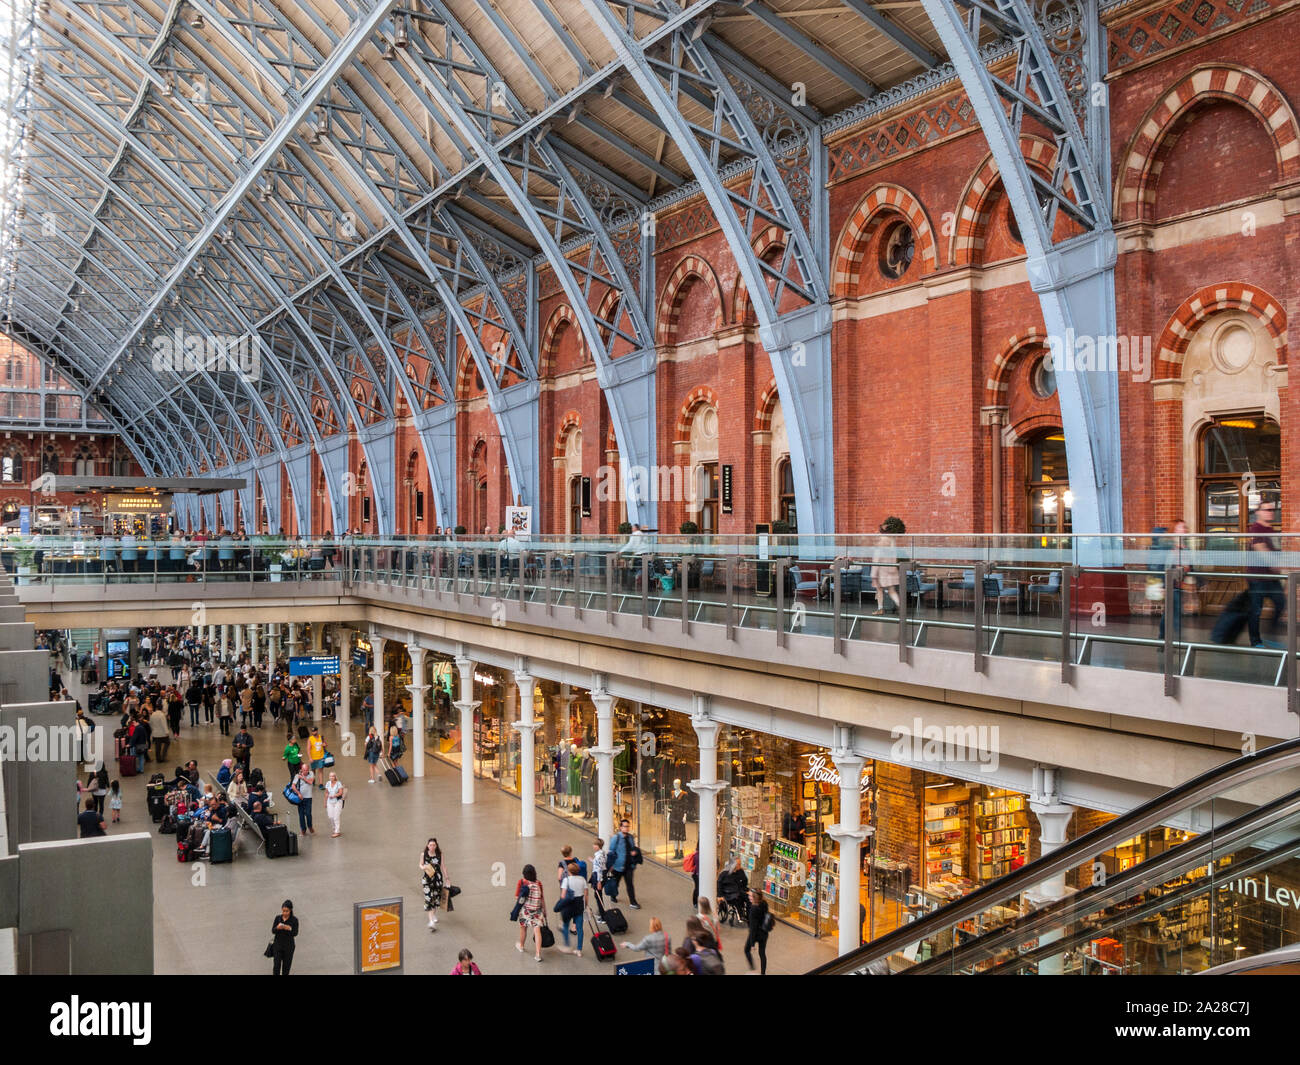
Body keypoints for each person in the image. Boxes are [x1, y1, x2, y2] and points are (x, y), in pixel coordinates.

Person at [1247, 501, 1286, 649]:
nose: (1271, 511)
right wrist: (1275, 564)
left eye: (1272, 509)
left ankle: (1270, 636)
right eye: (1267, 509)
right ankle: (1255, 641)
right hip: (1257, 578)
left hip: (1271, 577)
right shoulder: (1256, 529)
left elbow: (1277, 550)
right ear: (1258, 512)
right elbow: (1260, 548)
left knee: (1280, 603)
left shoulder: (1271, 529)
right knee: (1256, 610)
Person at [605, 819, 641, 909]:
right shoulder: (616, 838)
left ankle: (633, 902)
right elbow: (611, 851)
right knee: (616, 883)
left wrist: (634, 852)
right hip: (617, 867)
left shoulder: (630, 837)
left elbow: (633, 847)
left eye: (628, 826)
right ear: (621, 827)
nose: (626, 828)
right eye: (625, 826)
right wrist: (611, 865)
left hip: (629, 866)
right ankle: (613, 896)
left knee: (630, 885)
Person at [557, 860, 588, 957]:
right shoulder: (582, 879)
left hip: (569, 906)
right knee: (579, 929)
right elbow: (586, 894)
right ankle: (579, 950)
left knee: (566, 926)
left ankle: (567, 946)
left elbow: (563, 896)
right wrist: (585, 905)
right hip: (579, 906)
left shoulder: (566, 880)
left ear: (569, 872)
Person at [515, 864, 545, 962]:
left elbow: (517, 898)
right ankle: (538, 954)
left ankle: (521, 946)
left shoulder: (522, 882)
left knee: (523, 928)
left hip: (526, 911)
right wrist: (544, 910)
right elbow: (542, 898)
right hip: (537, 910)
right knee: (537, 931)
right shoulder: (538, 883)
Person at [744, 888, 771, 975]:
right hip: (764, 933)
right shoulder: (764, 903)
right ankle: (763, 973)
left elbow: (753, 928)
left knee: (746, 950)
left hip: (756, 934)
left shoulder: (753, 909)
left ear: (755, 897)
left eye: (750, 896)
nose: (749, 897)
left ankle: (752, 968)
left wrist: (752, 944)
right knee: (762, 953)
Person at [420, 838, 445, 929]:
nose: (432, 847)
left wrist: (447, 878)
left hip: (437, 880)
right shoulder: (424, 854)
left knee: (436, 899)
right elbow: (420, 864)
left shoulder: (439, 855)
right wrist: (423, 867)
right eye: (430, 845)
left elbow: (443, 866)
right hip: (427, 880)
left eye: (434, 845)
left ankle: (433, 915)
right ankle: (431, 921)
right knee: (429, 899)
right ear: (427, 846)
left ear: (436, 846)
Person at [270, 900, 298, 976]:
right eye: (283, 911)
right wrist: (277, 928)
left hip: (289, 947)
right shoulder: (278, 918)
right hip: (278, 945)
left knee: (286, 968)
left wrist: (289, 928)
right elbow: (273, 930)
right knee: (276, 966)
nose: (284, 913)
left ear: (290, 910)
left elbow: (295, 933)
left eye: (287, 911)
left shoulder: (294, 920)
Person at [290, 764, 315, 835]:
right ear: (301, 769)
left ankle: (310, 826)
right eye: (304, 770)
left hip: (308, 797)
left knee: (308, 813)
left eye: (307, 770)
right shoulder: (297, 776)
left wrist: (303, 778)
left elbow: (310, 782)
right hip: (300, 798)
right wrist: (298, 794)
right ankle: (303, 829)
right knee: (301, 814)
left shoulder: (311, 773)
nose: (305, 771)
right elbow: (293, 786)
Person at [324, 771, 346, 837]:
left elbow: (340, 793)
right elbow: (326, 793)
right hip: (329, 802)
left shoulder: (338, 783)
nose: (331, 777)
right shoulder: (328, 783)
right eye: (330, 776)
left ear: (335, 777)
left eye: (333, 776)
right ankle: (334, 829)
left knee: (336, 817)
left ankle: (337, 831)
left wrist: (334, 795)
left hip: (337, 801)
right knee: (331, 816)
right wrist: (325, 802)